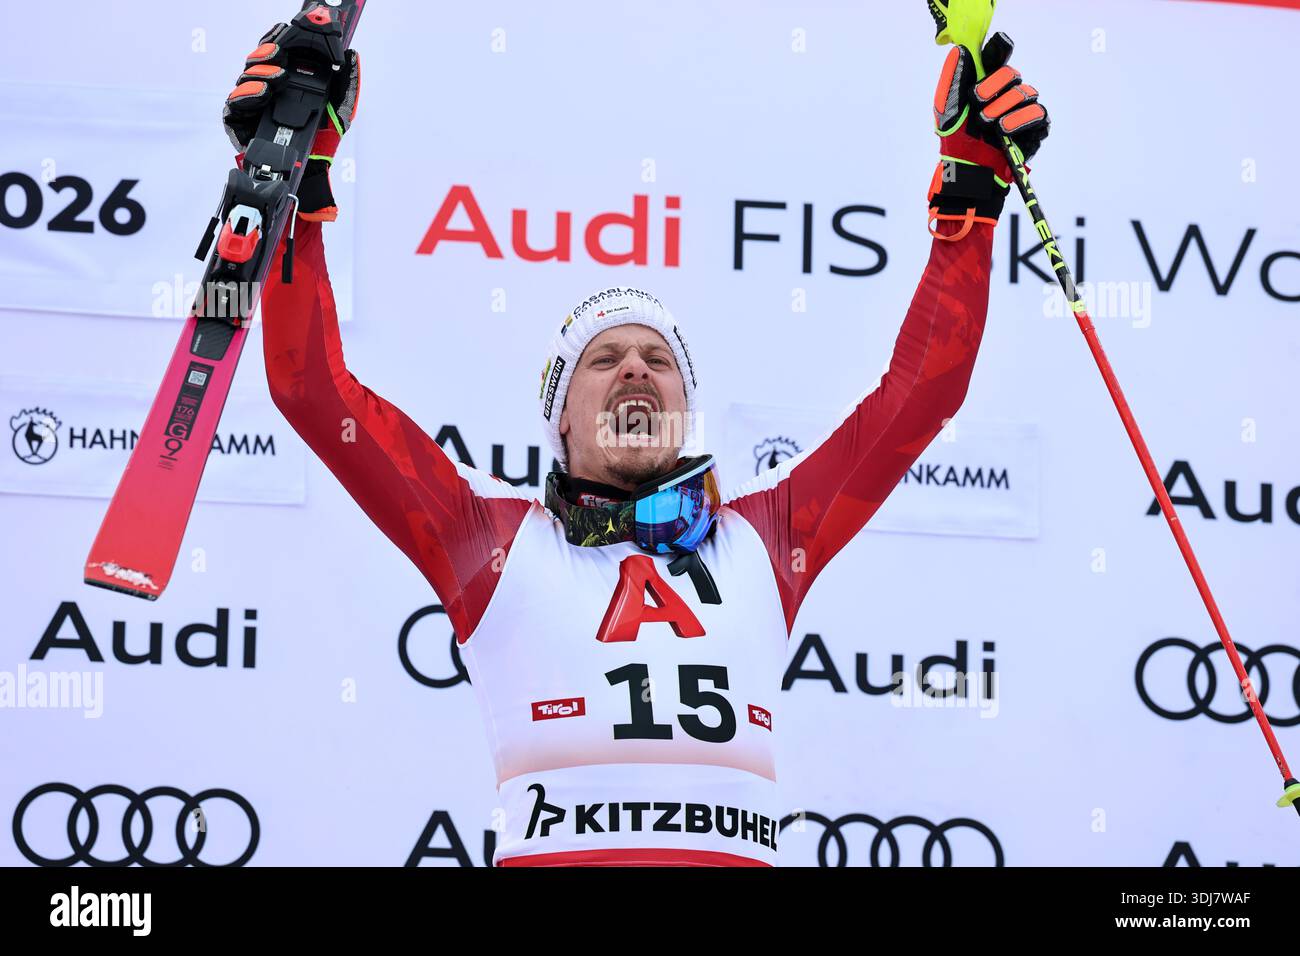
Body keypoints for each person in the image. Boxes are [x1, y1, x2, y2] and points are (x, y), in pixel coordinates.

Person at [225, 23, 1050, 866]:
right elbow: (311, 389)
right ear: (563, 419)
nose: (636, 372)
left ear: (687, 410)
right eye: (605, 360)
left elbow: (924, 394)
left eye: (659, 361)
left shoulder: (768, 539)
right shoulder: (490, 541)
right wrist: (294, 186)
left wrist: (970, 196)